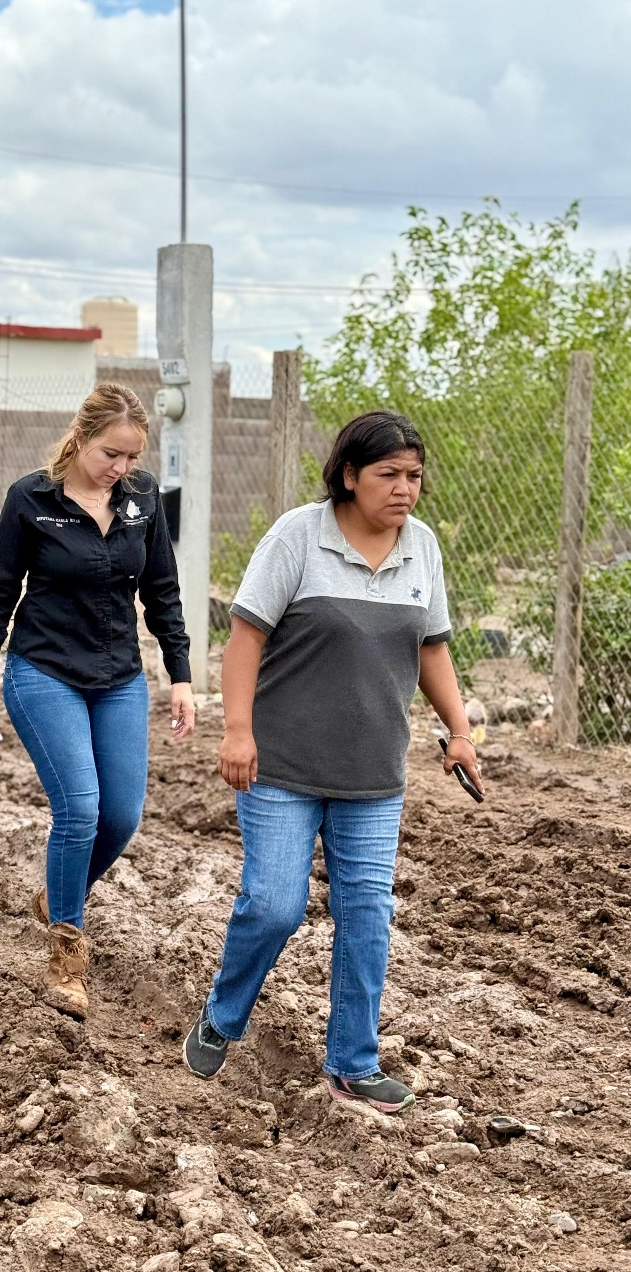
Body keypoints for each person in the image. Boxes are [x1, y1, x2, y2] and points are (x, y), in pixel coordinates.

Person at [183, 410, 485, 1113]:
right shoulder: (299, 536)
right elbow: (246, 638)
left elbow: (432, 648)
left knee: (367, 915)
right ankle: (223, 1015)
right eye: (388, 475)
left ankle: (353, 1062)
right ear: (349, 476)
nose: (405, 488)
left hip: (373, 776)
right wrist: (236, 730)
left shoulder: (424, 549)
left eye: (414, 476)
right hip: (281, 765)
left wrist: (460, 731)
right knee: (276, 904)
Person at [0, 381, 195, 1019]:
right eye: (110, 455)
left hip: (119, 676)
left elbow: (163, 591)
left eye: (131, 457)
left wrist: (180, 674)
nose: (121, 469)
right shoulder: (30, 499)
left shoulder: (142, 499)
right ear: (82, 438)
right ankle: (66, 953)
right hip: (45, 672)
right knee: (80, 809)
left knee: (121, 818)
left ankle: (57, 896)